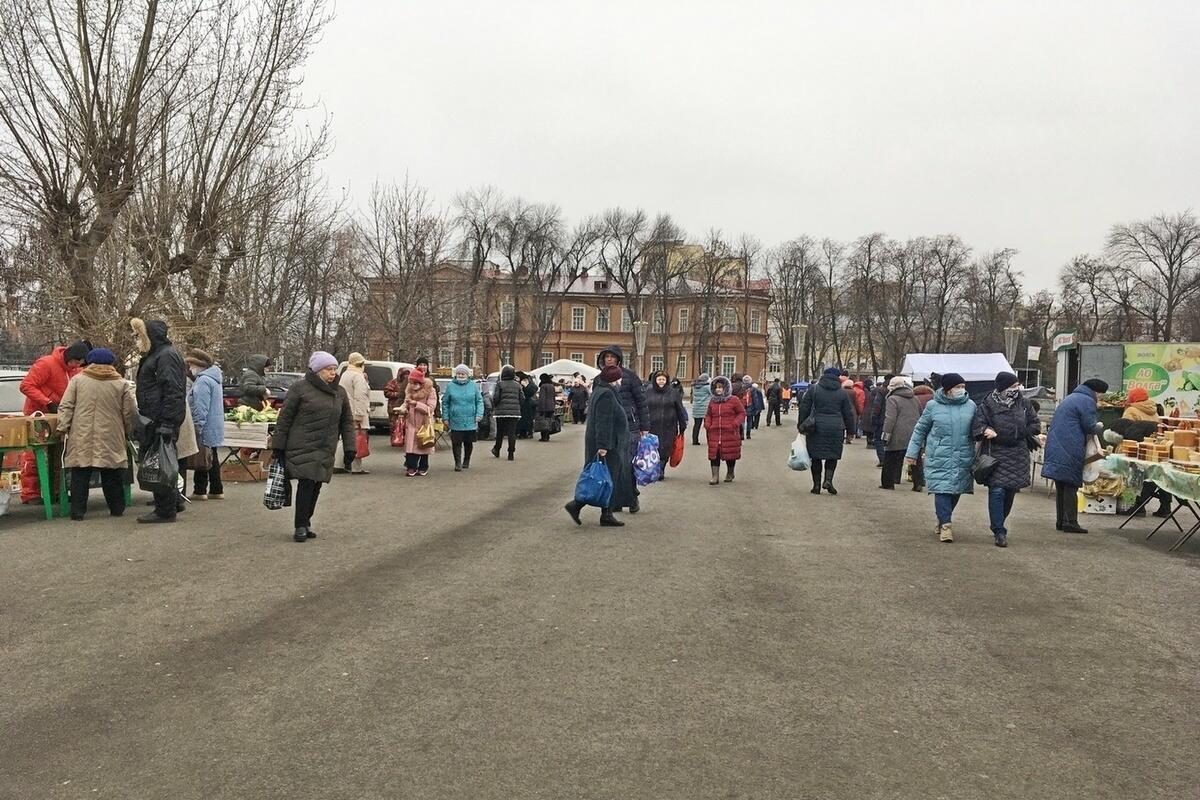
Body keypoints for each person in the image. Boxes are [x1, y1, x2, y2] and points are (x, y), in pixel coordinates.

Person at [272, 352, 355, 542]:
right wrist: (278, 446)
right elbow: (285, 418)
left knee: (316, 484)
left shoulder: (339, 392)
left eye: (334, 369)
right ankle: (300, 525)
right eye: (328, 369)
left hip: (326, 446)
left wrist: (350, 447)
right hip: (302, 444)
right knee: (307, 482)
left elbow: (347, 422)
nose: (333, 373)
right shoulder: (300, 389)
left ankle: (306, 522)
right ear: (317, 371)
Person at [56, 348, 135, 520]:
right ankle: (117, 509)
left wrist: (63, 427)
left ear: (89, 362)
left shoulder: (77, 381)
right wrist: (128, 431)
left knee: (80, 473)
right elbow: (129, 412)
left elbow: (66, 406)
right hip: (111, 434)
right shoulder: (121, 384)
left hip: (82, 433)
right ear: (111, 364)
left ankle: (77, 512)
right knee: (112, 472)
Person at [972, 372, 1041, 547]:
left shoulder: (1024, 404)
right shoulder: (987, 404)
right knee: (997, 491)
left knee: (1010, 491)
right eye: (1012, 386)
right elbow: (978, 424)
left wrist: (1023, 432)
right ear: (1002, 387)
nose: (1016, 389)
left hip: (1018, 453)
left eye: (1017, 386)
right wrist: (986, 430)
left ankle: (999, 521)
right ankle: (999, 530)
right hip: (995, 453)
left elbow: (1035, 424)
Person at [905, 373, 976, 543]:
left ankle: (943, 517)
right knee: (942, 489)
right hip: (939, 455)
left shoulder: (971, 406)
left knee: (956, 490)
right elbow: (920, 430)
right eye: (958, 387)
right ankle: (946, 525)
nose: (961, 390)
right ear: (947, 389)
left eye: (963, 386)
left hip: (963, 456)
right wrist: (912, 453)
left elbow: (977, 428)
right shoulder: (933, 406)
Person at [18, 339, 90, 503]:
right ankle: (30, 494)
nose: (77, 366)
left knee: (58, 454)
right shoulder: (46, 364)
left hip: (57, 415)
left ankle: (56, 491)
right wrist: (47, 402)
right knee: (33, 456)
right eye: (76, 362)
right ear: (71, 357)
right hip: (37, 414)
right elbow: (26, 385)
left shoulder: (73, 369)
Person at [131, 318, 187, 524]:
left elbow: (173, 391)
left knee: (159, 463)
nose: (137, 339)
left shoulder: (165, 356)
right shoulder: (159, 355)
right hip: (155, 417)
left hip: (160, 419)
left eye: (140, 335)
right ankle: (171, 503)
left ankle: (165, 509)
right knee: (162, 462)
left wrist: (167, 422)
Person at [564, 364, 635, 527]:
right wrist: (603, 446)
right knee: (603, 479)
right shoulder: (606, 395)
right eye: (619, 378)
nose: (621, 380)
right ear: (613, 379)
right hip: (608, 445)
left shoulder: (602, 391)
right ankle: (580, 506)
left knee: (604, 478)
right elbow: (604, 422)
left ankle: (605, 513)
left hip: (607, 443)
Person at [1042, 378, 1107, 534]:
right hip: (1070, 447)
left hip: (1058, 446)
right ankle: (1070, 522)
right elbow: (1089, 425)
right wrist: (1100, 427)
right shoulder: (1086, 401)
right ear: (1096, 392)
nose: (1100, 399)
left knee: (1062, 485)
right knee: (1071, 485)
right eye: (1101, 396)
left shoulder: (1071, 398)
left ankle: (1061, 521)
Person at [593, 345, 650, 513]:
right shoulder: (599, 379)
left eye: (612, 356)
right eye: (606, 356)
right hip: (609, 427)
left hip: (630, 426)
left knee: (626, 465)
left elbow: (641, 402)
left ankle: (632, 497)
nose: (609, 359)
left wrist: (644, 426)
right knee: (612, 465)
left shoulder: (630, 377)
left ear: (618, 358)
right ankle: (616, 499)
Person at [798, 367, 855, 495]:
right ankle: (828, 480)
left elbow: (804, 407)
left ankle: (816, 485)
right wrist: (851, 430)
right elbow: (848, 413)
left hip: (816, 426)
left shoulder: (814, 389)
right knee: (832, 455)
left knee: (816, 457)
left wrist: (801, 425)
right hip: (836, 427)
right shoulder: (842, 393)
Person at [1119, 387, 1171, 517]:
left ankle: (1135, 506)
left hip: (1137, 448)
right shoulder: (1154, 409)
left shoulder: (1131, 410)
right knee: (1159, 475)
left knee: (1133, 476)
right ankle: (1165, 506)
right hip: (1154, 447)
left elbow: (1127, 430)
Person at [185, 349, 225, 501]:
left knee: (202, 458)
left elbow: (200, 407)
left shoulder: (203, 381)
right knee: (211, 457)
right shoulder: (214, 379)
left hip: (206, 425)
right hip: (214, 424)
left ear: (198, 364)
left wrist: (197, 426)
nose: (189, 368)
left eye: (190, 364)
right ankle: (216, 488)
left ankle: (200, 489)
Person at [703, 376, 746, 485]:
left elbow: (741, 413)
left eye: (720, 387)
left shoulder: (734, 400)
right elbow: (708, 415)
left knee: (730, 454)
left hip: (730, 432)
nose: (718, 390)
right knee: (714, 454)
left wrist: (735, 424)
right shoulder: (712, 402)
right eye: (716, 387)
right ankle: (715, 476)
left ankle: (730, 472)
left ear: (725, 388)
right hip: (714, 432)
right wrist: (708, 424)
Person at [880, 376, 920, 490]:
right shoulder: (914, 398)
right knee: (915, 459)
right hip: (914, 433)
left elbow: (890, 419)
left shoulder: (892, 399)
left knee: (890, 459)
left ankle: (888, 483)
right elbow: (921, 413)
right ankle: (918, 483)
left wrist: (886, 435)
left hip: (897, 434)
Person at [646, 370, 688, 476]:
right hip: (652, 426)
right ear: (655, 380)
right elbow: (643, 409)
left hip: (669, 426)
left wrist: (682, 425)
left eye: (663, 379)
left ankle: (661, 469)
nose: (661, 382)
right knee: (654, 448)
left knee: (666, 448)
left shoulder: (673, 393)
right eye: (659, 379)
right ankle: (655, 468)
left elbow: (680, 409)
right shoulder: (647, 392)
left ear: (667, 380)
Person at [443, 364, 483, 471]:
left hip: (470, 419)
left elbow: (479, 401)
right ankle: (458, 463)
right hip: (456, 419)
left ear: (467, 375)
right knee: (456, 442)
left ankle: (466, 460)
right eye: (459, 374)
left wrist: (479, 414)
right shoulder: (450, 386)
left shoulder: (473, 385)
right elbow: (445, 403)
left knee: (468, 442)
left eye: (463, 373)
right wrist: (445, 417)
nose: (460, 375)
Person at [338, 352, 372, 474]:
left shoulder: (345, 374)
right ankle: (356, 467)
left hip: (344, 411)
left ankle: (339, 464)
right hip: (356, 411)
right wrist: (359, 415)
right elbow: (360, 397)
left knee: (344, 438)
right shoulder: (358, 377)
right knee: (357, 439)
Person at [402, 367, 436, 476]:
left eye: (414, 383)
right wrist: (403, 408)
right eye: (411, 383)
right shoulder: (409, 390)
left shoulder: (430, 390)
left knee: (423, 444)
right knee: (410, 446)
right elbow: (405, 403)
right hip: (411, 422)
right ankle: (411, 467)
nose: (412, 385)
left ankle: (423, 466)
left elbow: (430, 408)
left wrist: (416, 404)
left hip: (424, 422)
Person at [491, 365, 523, 460]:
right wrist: (517, 406)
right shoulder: (518, 385)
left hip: (501, 412)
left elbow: (496, 398)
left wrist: (496, 405)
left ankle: (497, 449)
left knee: (500, 432)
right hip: (514, 412)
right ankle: (511, 453)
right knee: (511, 433)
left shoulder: (499, 384)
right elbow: (522, 398)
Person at [869, 374, 895, 466]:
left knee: (878, 439)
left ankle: (883, 459)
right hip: (894, 419)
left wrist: (873, 418)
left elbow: (877, 406)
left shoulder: (881, 391)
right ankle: (891, 461)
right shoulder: (896, 390)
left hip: (881, 419)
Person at [691, 373, 712, 446]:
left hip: (696, 408)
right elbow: (712, 394)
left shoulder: (695, 387)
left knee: (696, 425)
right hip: (705, 408)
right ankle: (709, 440)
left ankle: (695, 440)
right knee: (708, 425)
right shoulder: (707, 387)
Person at [536, 373, 557, 442]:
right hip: (551, 406)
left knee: (543, 421)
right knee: (549, 421)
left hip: (544, 406)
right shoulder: (552, 386)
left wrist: (541, 408)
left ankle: (543, 436)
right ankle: (547, 436)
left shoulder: (543, 386)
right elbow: (554, 397)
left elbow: (542, 398)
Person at [517, 372, 537, 439]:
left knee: (526, 419)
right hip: (522, 403)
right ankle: (523, 433)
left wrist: (525, 386)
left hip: (527, 403)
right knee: (523, 419)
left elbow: (532, 390)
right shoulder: (525, 380)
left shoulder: (527, 381)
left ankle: (527, 433)